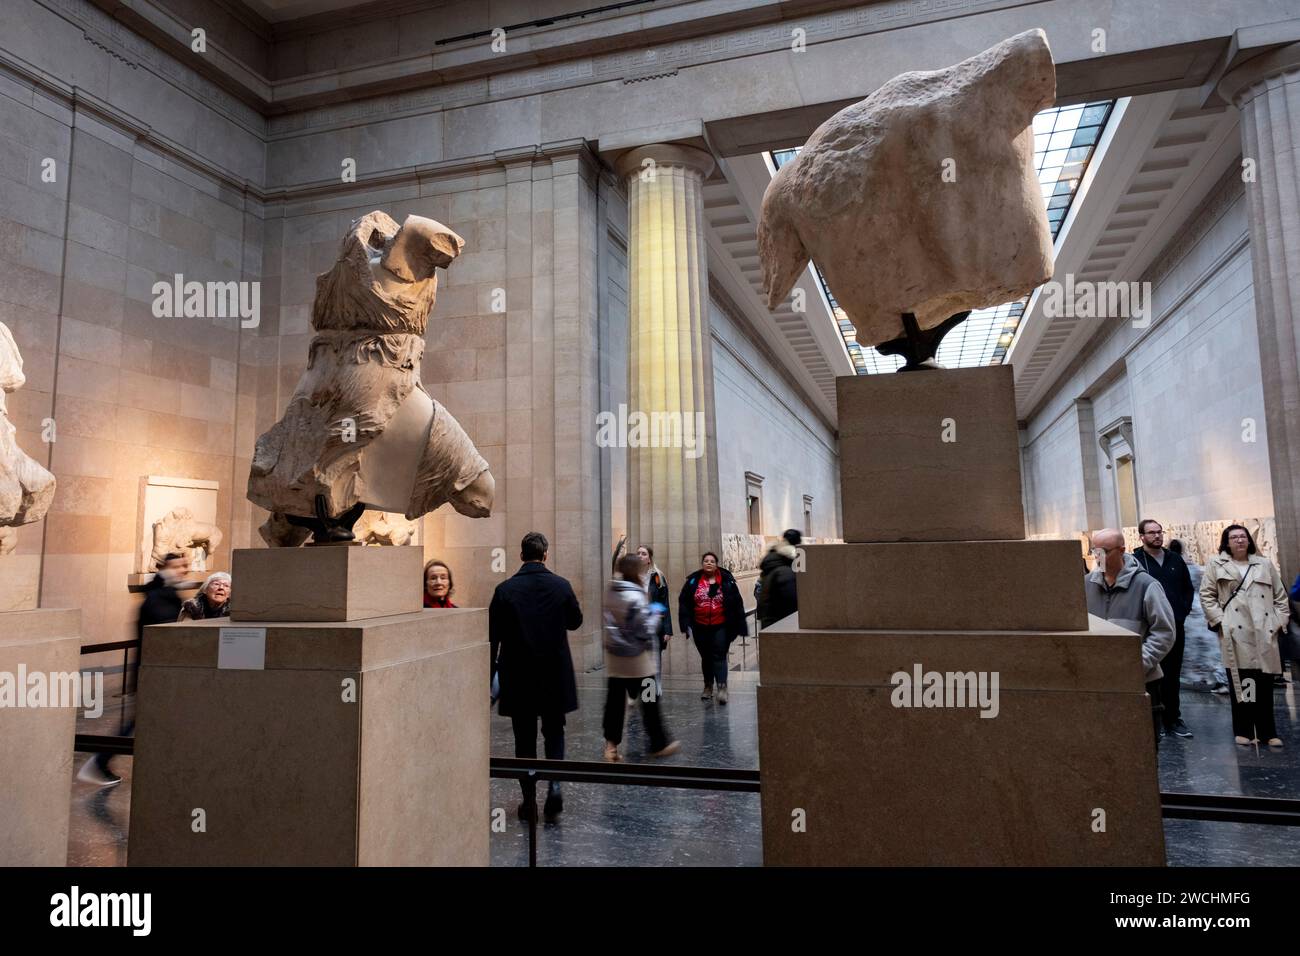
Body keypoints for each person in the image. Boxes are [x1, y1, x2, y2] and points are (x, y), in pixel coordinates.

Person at [489, 531, 583, 822]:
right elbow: (576, 622)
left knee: (524, 739)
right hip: (554, 674)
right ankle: (555, 786)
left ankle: (528, 800)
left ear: (521, 555)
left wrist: (491, 673)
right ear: (545, 554)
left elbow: (493, 637)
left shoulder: (504, 590)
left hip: (518, 675)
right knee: (555, 732)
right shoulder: (561, 585)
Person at [77, 552, 191, 788]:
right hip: (155, 670)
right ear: (166, 568)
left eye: (185, 566)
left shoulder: (162, 592)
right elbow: (163, 629)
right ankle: (99, 762)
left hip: (157, 670)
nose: (184, 570)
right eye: (179, 566)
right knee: (137, 722)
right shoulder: (160, 595)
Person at [1083, 529, 1175, 748]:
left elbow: (1164, 632)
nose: (1098, 557)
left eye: (1104, 551)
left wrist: (1136, 665)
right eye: (1094, 551)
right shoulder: (1085, 584)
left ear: (1122, 551)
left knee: (1140, 749)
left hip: (1140, 680)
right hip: (1096, 681)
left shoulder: (1146, 585)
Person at [1199, 525, 1289, 748]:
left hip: (1264, 633)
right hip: (1236, 634)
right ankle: (1245, 730)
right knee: (1245, 684)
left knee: (1265, 685)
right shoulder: (1216, 564)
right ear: (1226, 542)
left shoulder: (1264, 563)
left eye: (1243, 536)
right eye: (1234, 537)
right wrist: (1221, 621)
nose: (1239, 540)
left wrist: (1277, 622)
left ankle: (1268, 732)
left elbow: (1281, 597)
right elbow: (1207, 596)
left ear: (1249, 540)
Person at [602, 555, 681, 762]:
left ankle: (611, 747)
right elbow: (645, 628)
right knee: (650, 699)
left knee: (614, 703)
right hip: (638, 659)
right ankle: (658, 742)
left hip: (615, 658)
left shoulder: (611, 591)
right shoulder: (635, 595)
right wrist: (655, 614)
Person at [1131, 519, 1195, 738]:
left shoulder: (1174, 559)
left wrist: (1181, 613)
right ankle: (1150, 717)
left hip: (1174, 626)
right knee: (1149, 672)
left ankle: (1173, 718)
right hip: (1148, 628)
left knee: (1172, 674)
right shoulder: (1135, 561)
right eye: (1151, 533)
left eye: (1159, 532)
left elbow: (1187, 589)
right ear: (1142, 536)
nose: (1157, 536)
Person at [678, 551, 747, 705]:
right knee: (706, 657)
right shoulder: (693, 581)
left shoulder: (727, 581)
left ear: (716, 564)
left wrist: (741, 626)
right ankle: (708, 686)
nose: (709, 563)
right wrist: (685, 623)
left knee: (719, 655)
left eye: (712, 561)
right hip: (699, 626)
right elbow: (684, 602)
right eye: (706, 561)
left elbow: (737, 603)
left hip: (720, 625)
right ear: (702, 564)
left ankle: (722, 687)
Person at [638, 545, 672, 691]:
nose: (640, 556)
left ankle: (650, 695)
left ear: (649, 559)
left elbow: (664, 603)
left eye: (643, 554)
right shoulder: (630, 577)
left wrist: (667, 629)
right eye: (638, 553)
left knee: (652, 661)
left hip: (652, 626)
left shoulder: (657, 577)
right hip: (635, 627)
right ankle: (639, 694)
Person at [757, 529, 801, 628]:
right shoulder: (785, 569)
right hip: (781, 622)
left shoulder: (773, 562)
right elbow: (791, 601)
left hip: (771, 620)